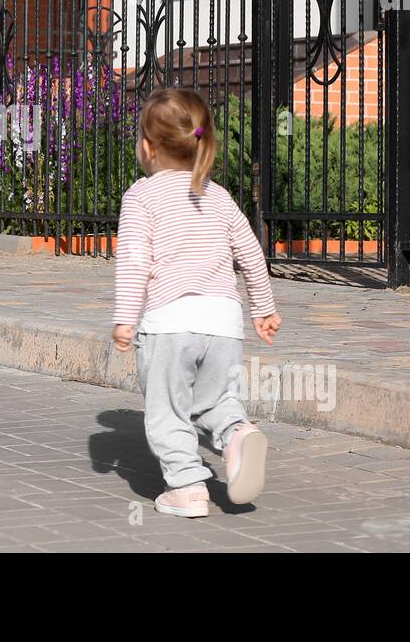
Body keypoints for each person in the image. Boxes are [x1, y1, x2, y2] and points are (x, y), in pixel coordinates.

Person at [111, 88, 281, 518]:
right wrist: (264, 307)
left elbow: (134, 263)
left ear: (148, 148)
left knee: (167, 409)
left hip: (171, 321)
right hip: (223, 319)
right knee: (216, 400)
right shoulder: (219, 196)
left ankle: (187, 486)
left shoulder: (141, 196)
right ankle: (237, 434)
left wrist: (125, 318)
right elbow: (250, 253)